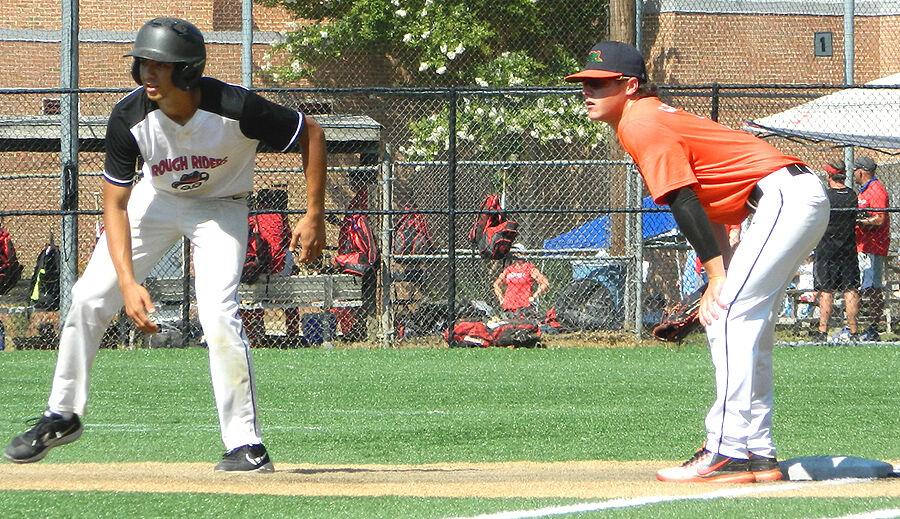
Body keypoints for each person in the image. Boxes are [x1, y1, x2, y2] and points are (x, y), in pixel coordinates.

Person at [3, 17, 327, 472]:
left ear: (189, 70)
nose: (147, 73)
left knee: (217, 313)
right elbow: (115, 205)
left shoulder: (236, 106)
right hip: (155, 201)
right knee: (88, 297)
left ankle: (245, 444)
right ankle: (62, 414)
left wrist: (314, 214)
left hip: (220, 206)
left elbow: (310, 133)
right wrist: (127, 282)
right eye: (143, 63)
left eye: (160, 65)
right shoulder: (129, 117)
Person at [565, 41, 829, 483]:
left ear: (629, 86)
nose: (588, 92)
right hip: (790, 197)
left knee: (727, 315)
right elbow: (710, 204)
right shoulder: (650, 116)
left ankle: (726, 449)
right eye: (585, 84)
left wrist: (716, 277)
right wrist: (719, 272)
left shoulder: (641, 121)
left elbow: (683, 201)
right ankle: (758, 452)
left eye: (599, 83)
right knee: (749, 322)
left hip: (783, 198)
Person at [812, 159, 860, 342]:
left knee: (826, 290)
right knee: (850, 288)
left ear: (830, 175)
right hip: (848, 248)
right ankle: (854, 332)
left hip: (826, 249)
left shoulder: (825, 196)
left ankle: (822, 332)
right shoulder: (851, 195)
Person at [853, 156, 889, 341]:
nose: (853, 174)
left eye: (855, 171)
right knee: (859, 286)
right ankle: (856, 327)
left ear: (861, 172)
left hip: (873, 246)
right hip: (863, 245)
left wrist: (860, 220)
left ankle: (872, 329)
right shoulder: (865, 190)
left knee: (872, 288)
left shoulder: (876, 190)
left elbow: (880, 219)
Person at [492, 244, 550, 319]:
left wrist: (534, 297)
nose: (516, 254)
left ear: (523, 253)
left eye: (518, 252)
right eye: (514, 252)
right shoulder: (509, 269)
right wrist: (501, 299)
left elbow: (545, 283)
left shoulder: (529, 268)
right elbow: (496, 284)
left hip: (524, 307)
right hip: (508, 307)